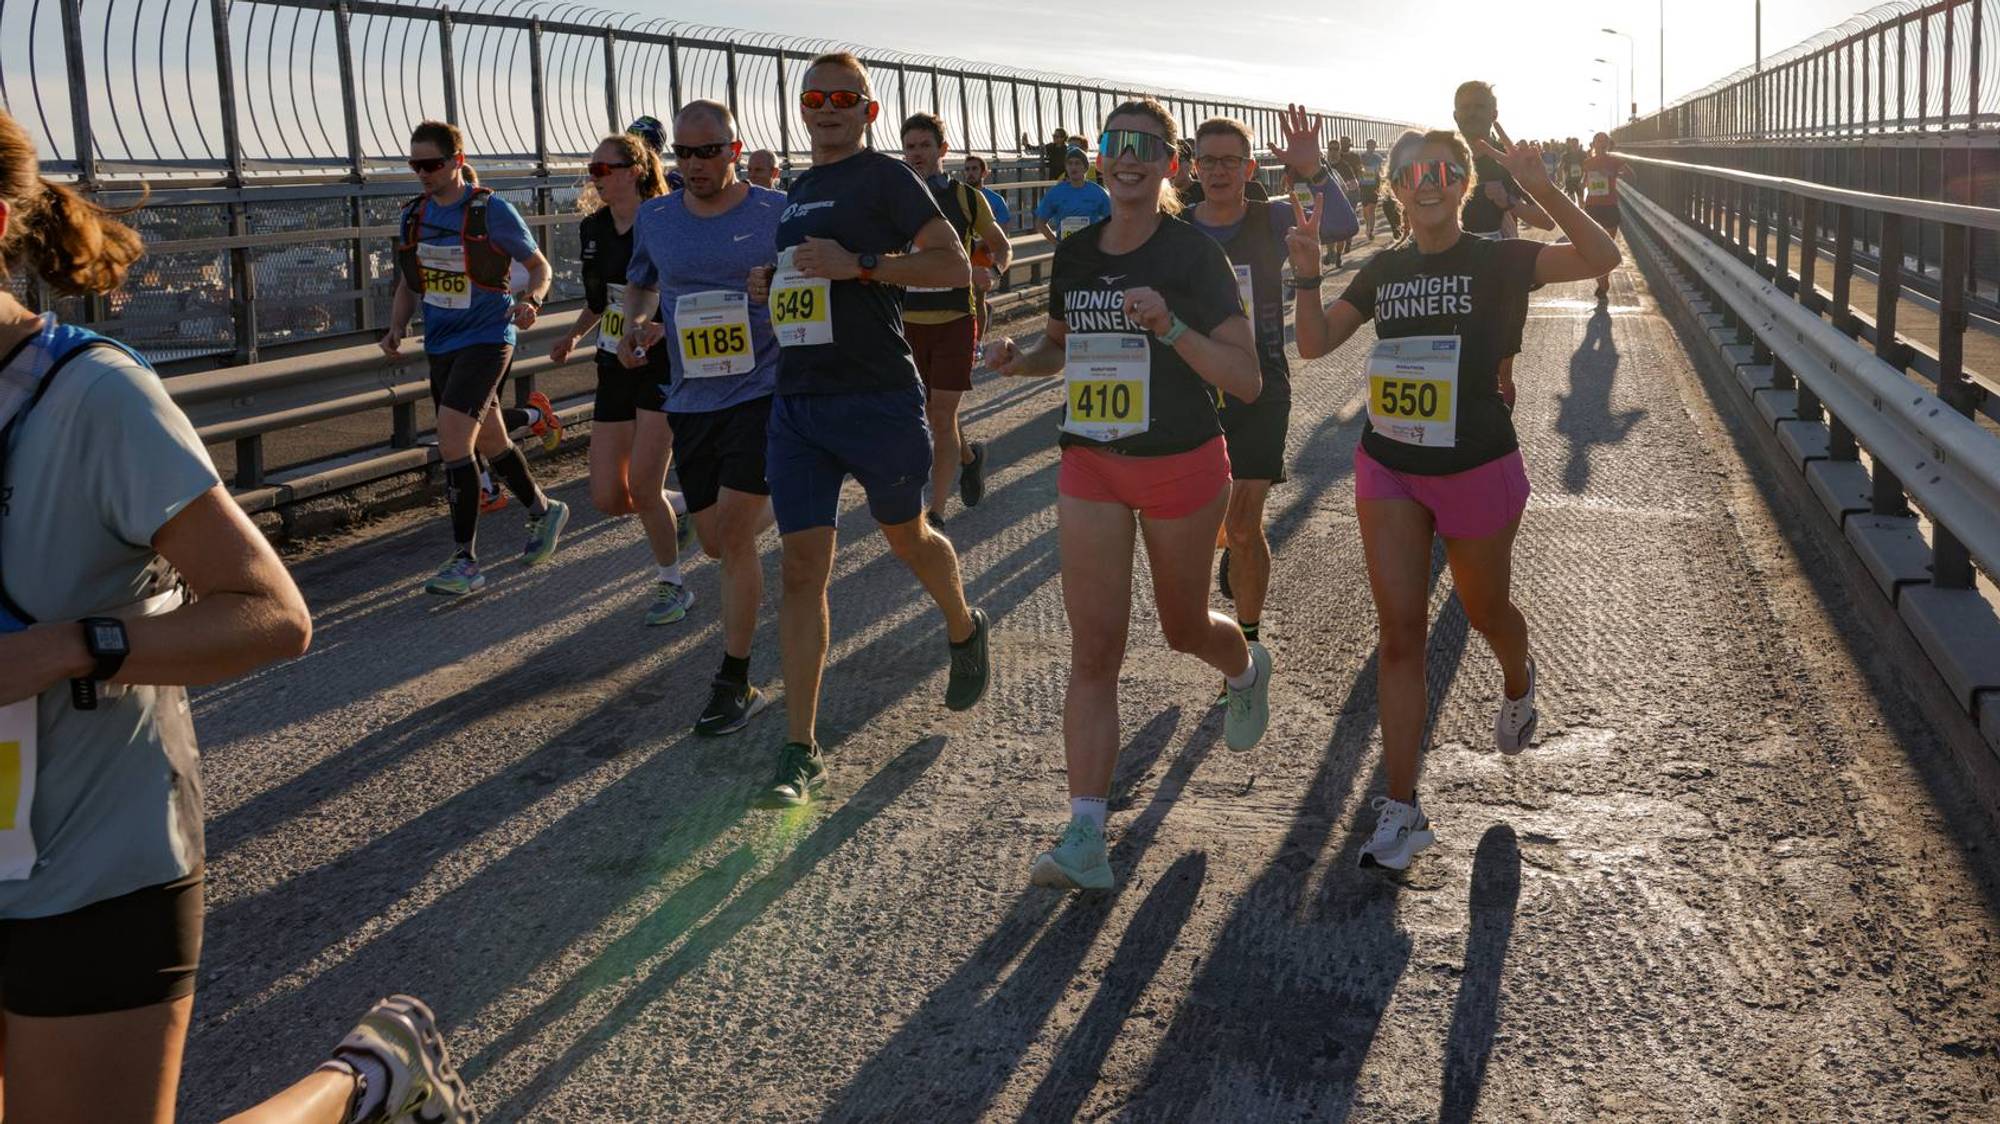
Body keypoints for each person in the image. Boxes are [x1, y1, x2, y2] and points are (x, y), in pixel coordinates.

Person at [1289, 128, 1619, 870]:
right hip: (1391, 465)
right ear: (1395, 188)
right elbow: (1313, 345)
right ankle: (1403, 810)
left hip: (1476, 464)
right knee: (1400, 633)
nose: (1425, 181)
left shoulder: (1497, 258)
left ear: (1462, 183)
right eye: (1410, 172)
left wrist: (1542, 187)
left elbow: (1604, 259)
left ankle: (1518, 676)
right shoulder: (1382, 270)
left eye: (1441, 170)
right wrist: (1308, 277)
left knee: (1483, 611)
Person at [983, 98, 1273, 893]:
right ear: (1100, 156)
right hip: (1092, 463)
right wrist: (1020, 358)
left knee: (1181, 629)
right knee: (1095, 647)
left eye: (1148, 146)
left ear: (1168, 163)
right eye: (1117, 144)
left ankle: (1245, 670)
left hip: (1181, 462)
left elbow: (1245, 379)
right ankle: (1085, 833)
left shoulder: (1191, 257)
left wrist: (1172, 328)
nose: (1130, 157)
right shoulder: (1076, 254)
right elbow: (1059, 349)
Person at [744, 52, 991, 808]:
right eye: (815, 97)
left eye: (843, 98)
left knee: (906, 536)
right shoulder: (797, 188)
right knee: (798, 569)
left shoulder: (887, 177)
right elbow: (807, 276)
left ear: (868, 112)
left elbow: (952, 267)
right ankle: (799, 748)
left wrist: (860, 265)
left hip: (878, 396)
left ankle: (962, 622)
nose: (827, 108)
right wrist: (771, 280)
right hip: (800, 402)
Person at [614, 101, 786, 734]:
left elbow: (814, 284)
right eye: (682, 154)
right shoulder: (657, 218)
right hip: (691, 396)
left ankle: (734, 680)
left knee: (736, 536)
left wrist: (779, 285)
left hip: (763, 388)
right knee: (714, 542)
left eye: (707, 152)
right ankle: (796, 493)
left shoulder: (774, 210)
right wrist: (636, 323)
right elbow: (642, 284)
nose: (694, 165)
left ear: (733, 149)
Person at [1184, 110, 1357, 694]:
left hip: (1260, 381)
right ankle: (1229, 550)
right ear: (1192, 167)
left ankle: (1249, 652)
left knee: (1242, 517)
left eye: (1231, 160)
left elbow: (1342, 222)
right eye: (1207, 160)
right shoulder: (1177, 230)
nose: (1218, 171)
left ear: (1250, 168)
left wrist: (1312, 169)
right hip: (1193, 385)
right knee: (1211, 521)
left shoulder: (1274, 215)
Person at [380, 120, 568, 596]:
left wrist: (534, 302)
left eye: (432, 164)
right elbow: (409, 284)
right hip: (441, 344)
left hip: (487, 340)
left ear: (457, 161)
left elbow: (538, 267)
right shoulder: (414, 216)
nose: (422, 173)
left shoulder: (490, 212)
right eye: (415, 165)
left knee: (452, 442)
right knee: (491, 441)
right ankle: (545, 512)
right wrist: (397, 326)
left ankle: (465, 561)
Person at [546, 132, 699, 625]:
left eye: (601, 169)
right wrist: (573, 336)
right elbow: (600, 300)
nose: (594, 178)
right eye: (591, 171)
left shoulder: (668, 221)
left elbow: (689, 288)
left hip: (663, 362)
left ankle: (672, 584)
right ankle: (686, 503)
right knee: (610, 497)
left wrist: (660, 326)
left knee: (644, 485)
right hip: (614, 360)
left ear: (632, 170)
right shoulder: (593, 228)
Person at [901, 113, 1013, 521]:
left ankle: (935, 512)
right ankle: (968, 458)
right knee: (931, 412)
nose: (917, 155)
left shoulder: (966, 198)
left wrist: (994, 271)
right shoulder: (893, 198)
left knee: (940, 414)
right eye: (910, 147)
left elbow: (1001, 245)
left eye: (925, 146)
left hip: (955, 319)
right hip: (907, 321)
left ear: (942, 151)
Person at [1451, 81, 1551, 239]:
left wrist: (1508, 202)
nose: (1472, 113)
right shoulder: (1439, 159)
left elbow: (1548, 221)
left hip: (1499, 258)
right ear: (1455, 115)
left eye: (1480, 107)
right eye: (1465, 107)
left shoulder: (1511, 160)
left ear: (1494, 114)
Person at [1580, 132, 1628, 301]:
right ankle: (1603, 282)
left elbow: (1631, 175)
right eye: (1597, 142)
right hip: (1592, 207)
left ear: (1608, 144)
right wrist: (1583, 184)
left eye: (1603, 142)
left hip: (1609, 207)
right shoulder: (1587, 162)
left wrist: (1612, 174)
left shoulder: (1615, 161)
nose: (1600, 145)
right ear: (1593, 144)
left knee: (1607, 248)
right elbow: (1585, 181)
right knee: (1594, 248)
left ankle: (1603, 279)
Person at [1034, 147, 1111, 245]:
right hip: (1066, 251)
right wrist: (1056, 243)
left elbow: (1113, 221)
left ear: (1085, 167)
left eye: (1077, 163)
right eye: (1070, 163)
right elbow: (1040, 223)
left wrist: (1101, 242)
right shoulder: (1056, 193)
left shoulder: (1098, 193)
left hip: (1090, 251)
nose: (1073, 167)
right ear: (1066, 167)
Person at [1356, 137, 1387, 238]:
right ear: (1367, 146)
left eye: (1373, 146)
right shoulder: (1361, 157)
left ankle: (1371, 231)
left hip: (1374, 185)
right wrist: (1360, 173)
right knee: (1365, 208)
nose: (1372, 148)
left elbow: (1381, 171)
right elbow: (1358, 169)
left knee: (1372, 208)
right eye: (1370, 146)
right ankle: (1367, 225)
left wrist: (1381, 182)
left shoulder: (1378, 158)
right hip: (1364, 185)